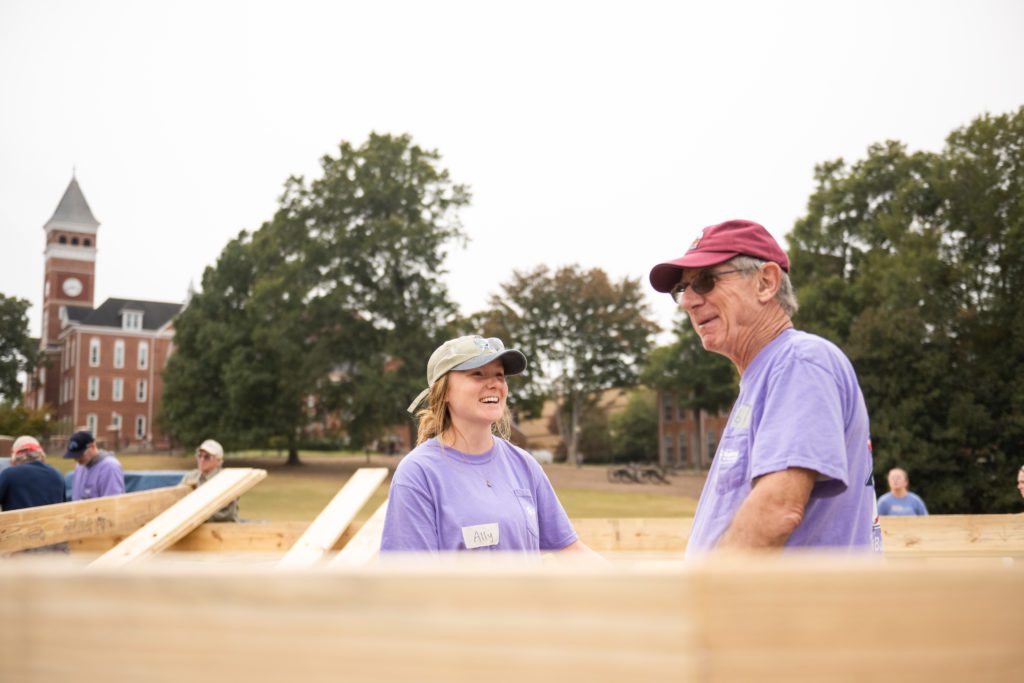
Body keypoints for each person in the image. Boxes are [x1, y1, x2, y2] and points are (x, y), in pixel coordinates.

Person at [649, 219, 880, 554]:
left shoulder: (799, 361)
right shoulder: (769, 375)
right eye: (682, 289)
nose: (688, 302)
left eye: (706, 281)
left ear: (766, 282)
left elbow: (778, 511)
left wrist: (698, 597)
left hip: (799, 607)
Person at [381, 335, 594, 555]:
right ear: (442, 391)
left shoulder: (524, 465)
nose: (494, 384)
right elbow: (410, 581)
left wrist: (626, 582)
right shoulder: (418, 473)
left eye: (499, 375)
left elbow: (568, 550)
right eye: (477, 374)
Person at [0, 436, 69, 552]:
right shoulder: (57, 475)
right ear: (40, 455)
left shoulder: (9, 475)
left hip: (21, 548)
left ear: (14, 456)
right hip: (55, 547)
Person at [180, 439, 239, 522]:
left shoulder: (226, 480)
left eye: (207, 457)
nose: (202, 459)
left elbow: (224, 514)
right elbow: (177, 501)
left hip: (223, 530)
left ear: (219, 461)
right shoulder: (190, 477)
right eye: (199, 455)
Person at [65, 430, 125, 501]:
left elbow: (113, 503)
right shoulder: (79, 466)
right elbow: (75, 499)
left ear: (92, 446)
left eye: (80, 455)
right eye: (74, 456)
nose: (77, 460)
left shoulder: (110, 467)